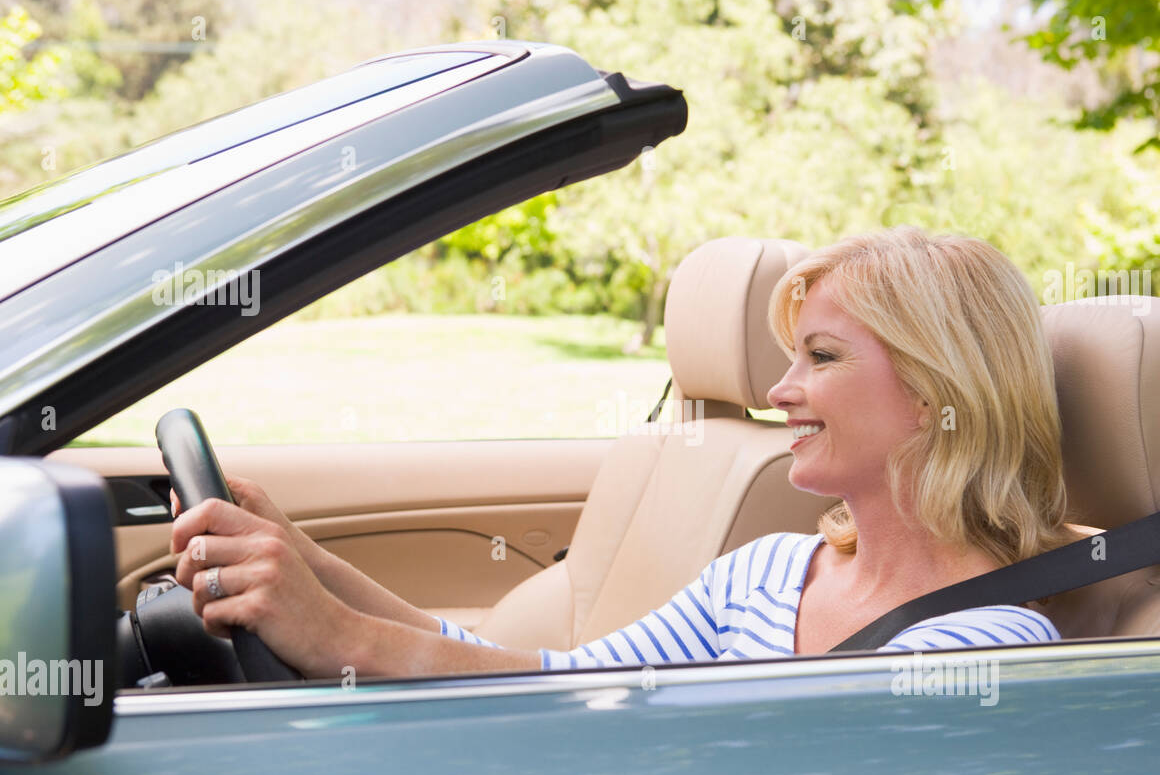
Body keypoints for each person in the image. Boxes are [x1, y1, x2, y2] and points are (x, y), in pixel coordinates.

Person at [170, 227, 1078, 678]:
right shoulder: (764, 576)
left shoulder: (981, 648)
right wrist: (312, 569)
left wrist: (338, 638)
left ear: (935, 397)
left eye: (823, 358)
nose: (778, 392)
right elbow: (557, 688)